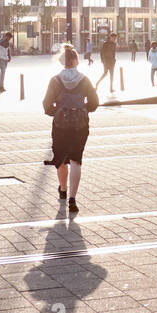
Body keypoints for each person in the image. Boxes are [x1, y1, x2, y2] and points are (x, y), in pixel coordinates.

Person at [41, 44, 99, 215]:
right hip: (80, 125)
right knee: (76, 160)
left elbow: (46, 105)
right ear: (74, 61)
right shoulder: (84, 79)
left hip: (60, 125)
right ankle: (73, 199)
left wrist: (57, 112)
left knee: (60, 159)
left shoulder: (55, 80)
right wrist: (83, 109)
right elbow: (95, 102)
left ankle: (63, 190)